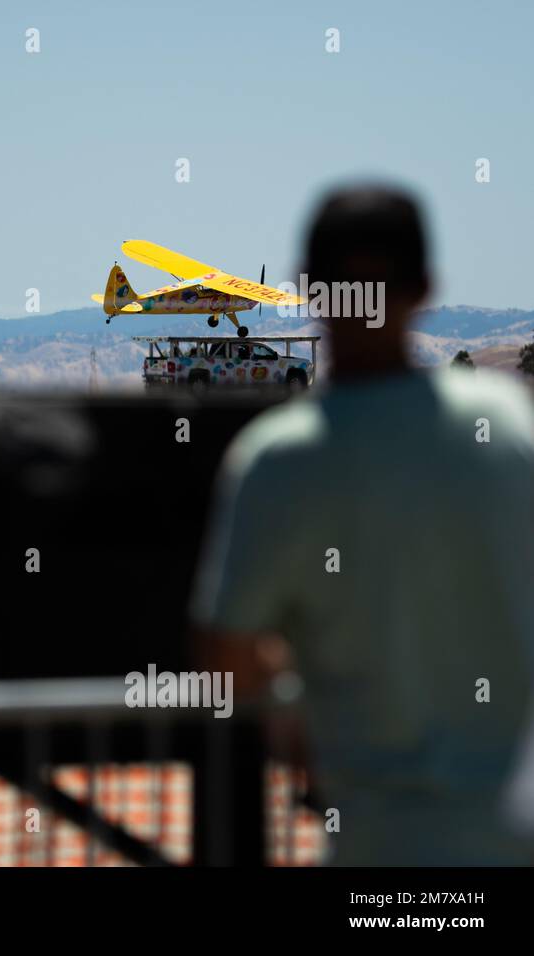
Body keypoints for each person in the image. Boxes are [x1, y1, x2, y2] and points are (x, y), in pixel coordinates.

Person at [191, 185, 534, 864]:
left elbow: (225, 663)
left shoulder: (278, 459)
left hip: (382, 841)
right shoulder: (511, 424)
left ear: (308, 287)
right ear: (428, 286)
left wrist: (289, 680)